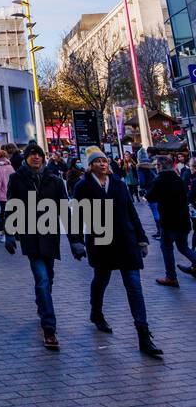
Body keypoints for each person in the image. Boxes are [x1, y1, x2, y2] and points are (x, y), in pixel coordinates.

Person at [73, 148, 163, 357]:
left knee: (134, 287)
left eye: (105, 161)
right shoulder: (83, 187)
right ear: (90, 166)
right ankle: (96, 312)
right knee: (101, 279)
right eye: (98, 161)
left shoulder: (119, 185)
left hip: (126, 240)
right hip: (100, 241)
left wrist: (141, 238)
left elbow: (131, 211)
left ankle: (143, 335)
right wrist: (76, 241)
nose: (103, 164)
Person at [3, 141, 85, 350]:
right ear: (26, 158)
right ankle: (49, 329)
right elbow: (12, 206)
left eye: (39, 154)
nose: (36, 157)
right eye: (32, 155)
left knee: (48, 278)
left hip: (49, 236)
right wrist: (10, 234)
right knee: (41, 279)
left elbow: (65, 211)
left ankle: (42, 304)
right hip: (31, 236)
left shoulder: (55, 181)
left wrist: (75, 241)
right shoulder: (17, 179)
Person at [150, 155, 196, 286]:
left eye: (157, 165)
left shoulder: (160, 180)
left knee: (166, 247)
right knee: (182, 247)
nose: (156, 168)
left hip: (169, 221)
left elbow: (151, 196)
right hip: (183, 220)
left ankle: (171, 276)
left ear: (161, 166)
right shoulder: (178, 178)